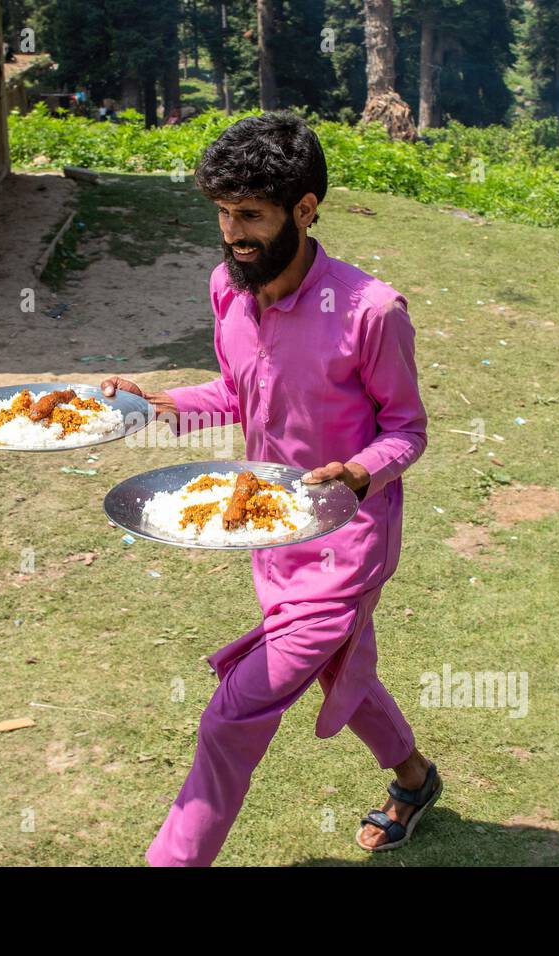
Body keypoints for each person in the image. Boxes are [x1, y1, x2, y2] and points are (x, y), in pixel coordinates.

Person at [100, 112, 438, 866]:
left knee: (232, 718)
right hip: (269, 535)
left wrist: (360, 470)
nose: (233, 234)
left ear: (306, 209)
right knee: (336, 670)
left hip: (347, 547)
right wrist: (160, 408)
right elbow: (236, 389)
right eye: (223, 213)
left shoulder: (370, 311)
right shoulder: (229, 288)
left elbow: (408, 430)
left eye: (251, 215)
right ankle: (414, 778)